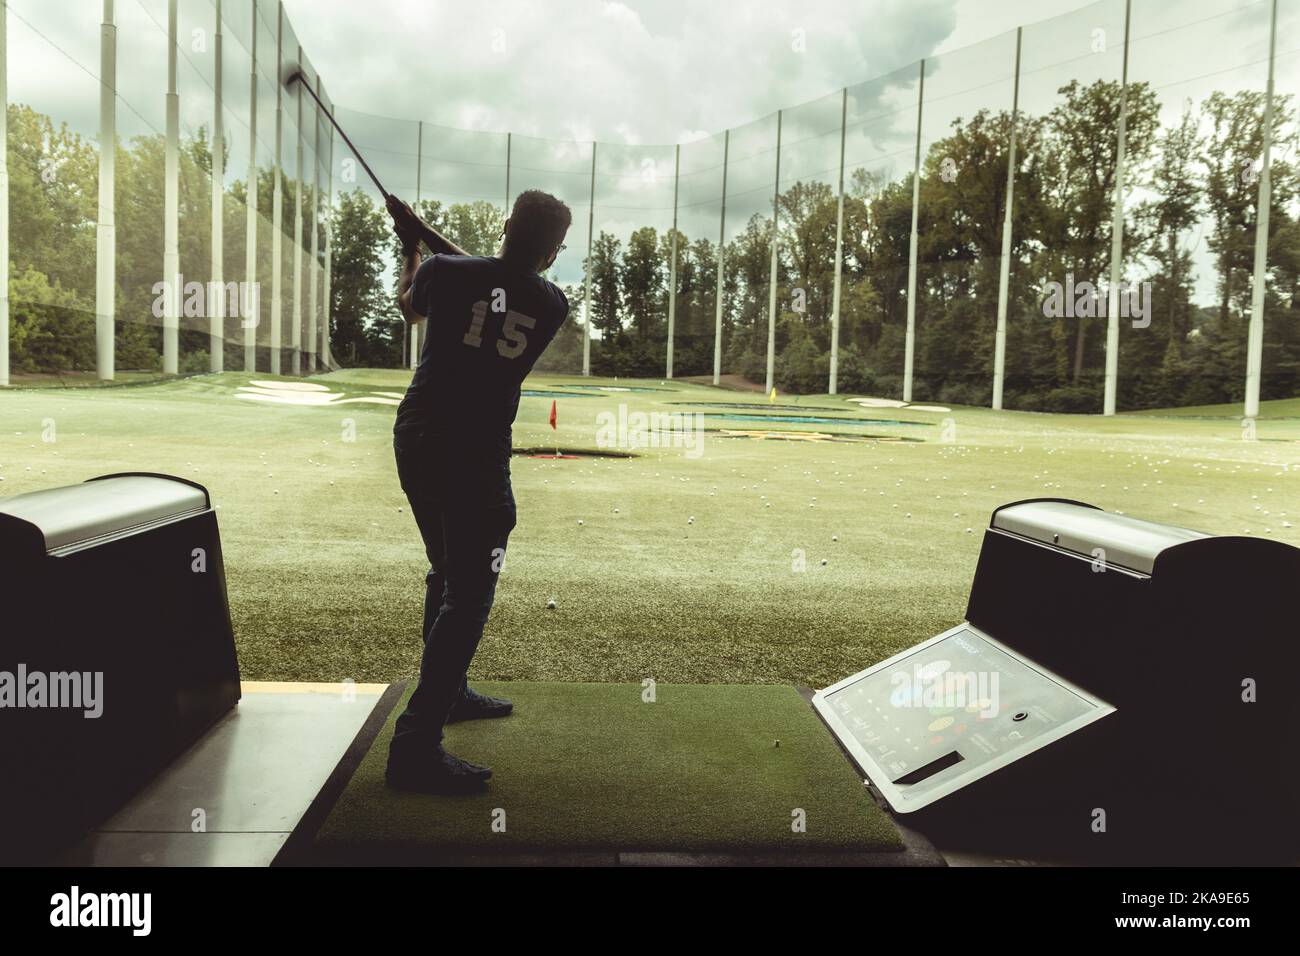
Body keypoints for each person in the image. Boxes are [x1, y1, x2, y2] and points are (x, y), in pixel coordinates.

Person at [384, 190, 572, 793]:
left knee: (447, 571)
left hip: (417, 437)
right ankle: (416, 745)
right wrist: (427, 235)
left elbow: (412, 306)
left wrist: (411, 240)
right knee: (467, 594)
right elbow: (501, 280)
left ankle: (452, 695)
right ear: (554, 252)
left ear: (507, 223)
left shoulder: (445, 271)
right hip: (475, 456)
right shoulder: (551, 302)